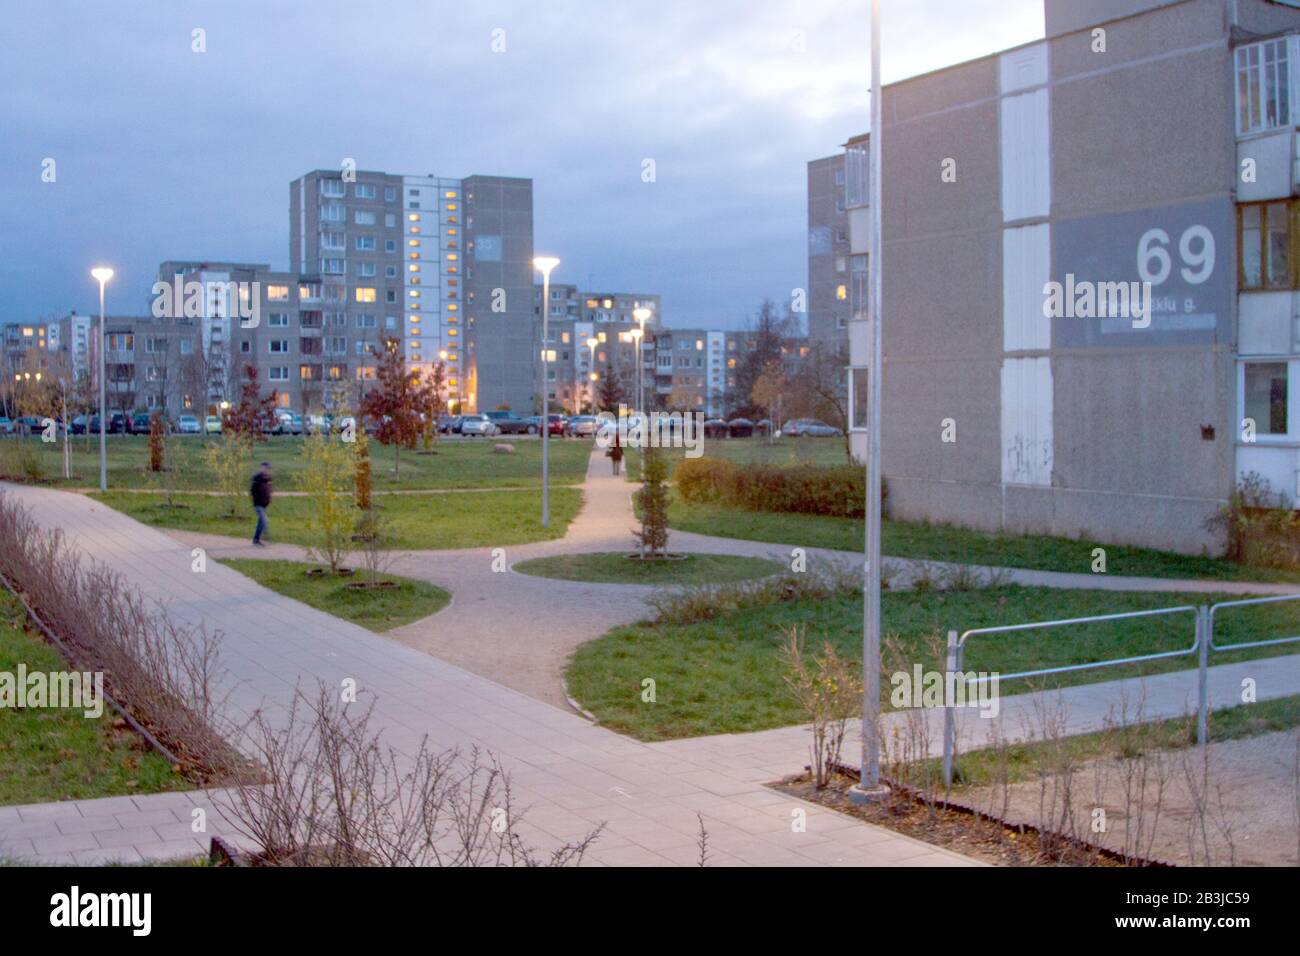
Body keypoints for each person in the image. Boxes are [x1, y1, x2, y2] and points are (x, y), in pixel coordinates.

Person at [250, 461, 272, 546]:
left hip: (264, 504)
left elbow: (269, 491)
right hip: (258, 504)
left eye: (268, 468)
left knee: (262, 521)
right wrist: (257, 500)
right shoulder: (257, 478)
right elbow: (252, 491)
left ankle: (259, 538)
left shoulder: (268, 479)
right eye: (265, 468)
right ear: (262, 468)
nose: (267, 470)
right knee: (264, 520)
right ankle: (258, 539)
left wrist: (268, 499)